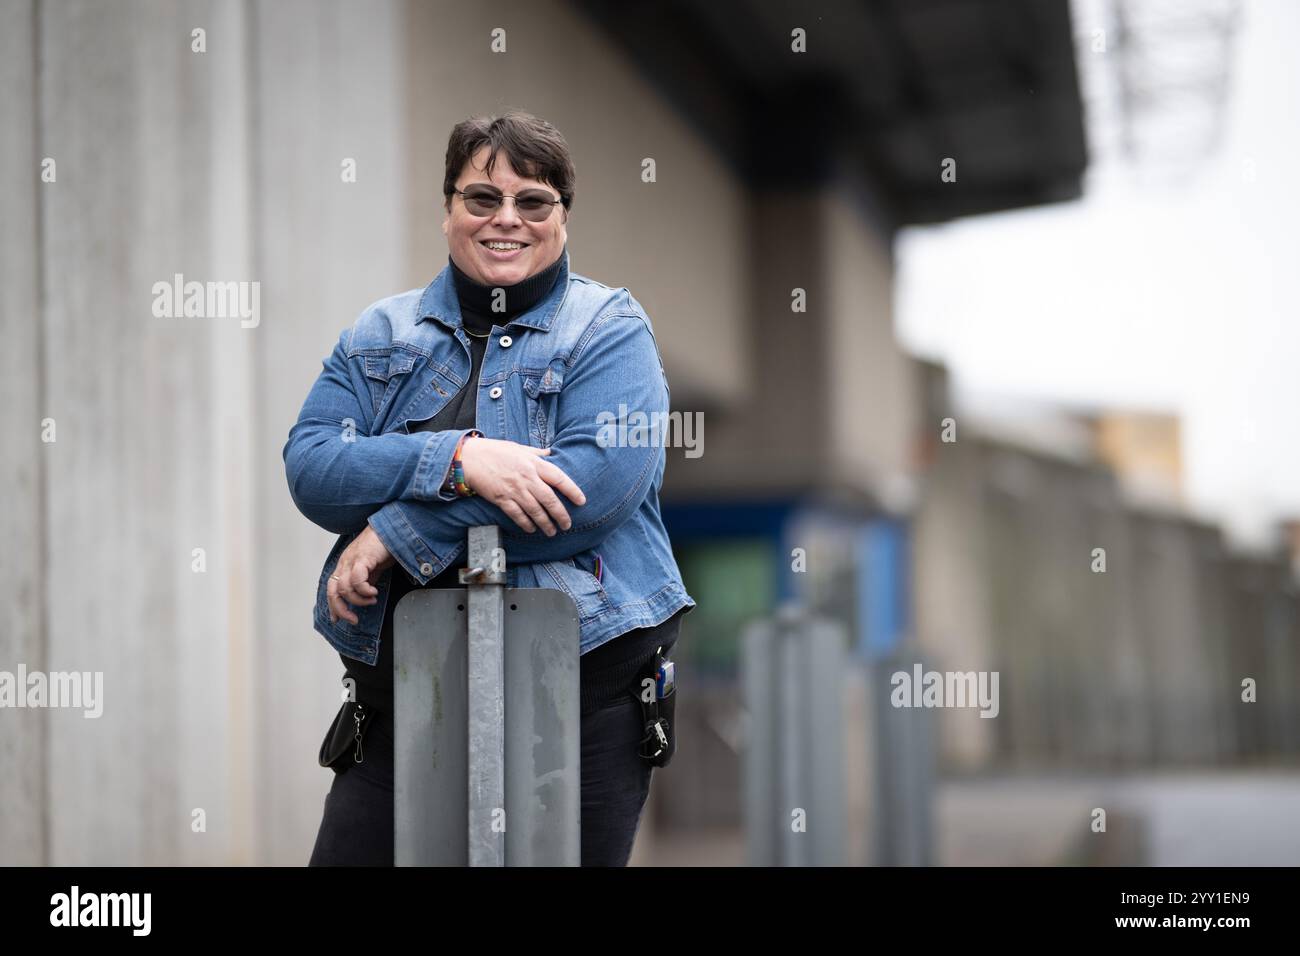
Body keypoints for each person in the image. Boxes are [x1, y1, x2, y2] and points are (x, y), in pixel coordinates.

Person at [282, 109, 695, 866]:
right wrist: (461, 460)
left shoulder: (609, 328)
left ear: (561, 217)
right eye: (482, 198)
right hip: (402, 703)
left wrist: (399, 530)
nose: (507, 219)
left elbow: (591, 491)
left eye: (533, 201)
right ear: (448, 211)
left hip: (579, 704)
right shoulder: (381, 333)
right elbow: (313, 469)